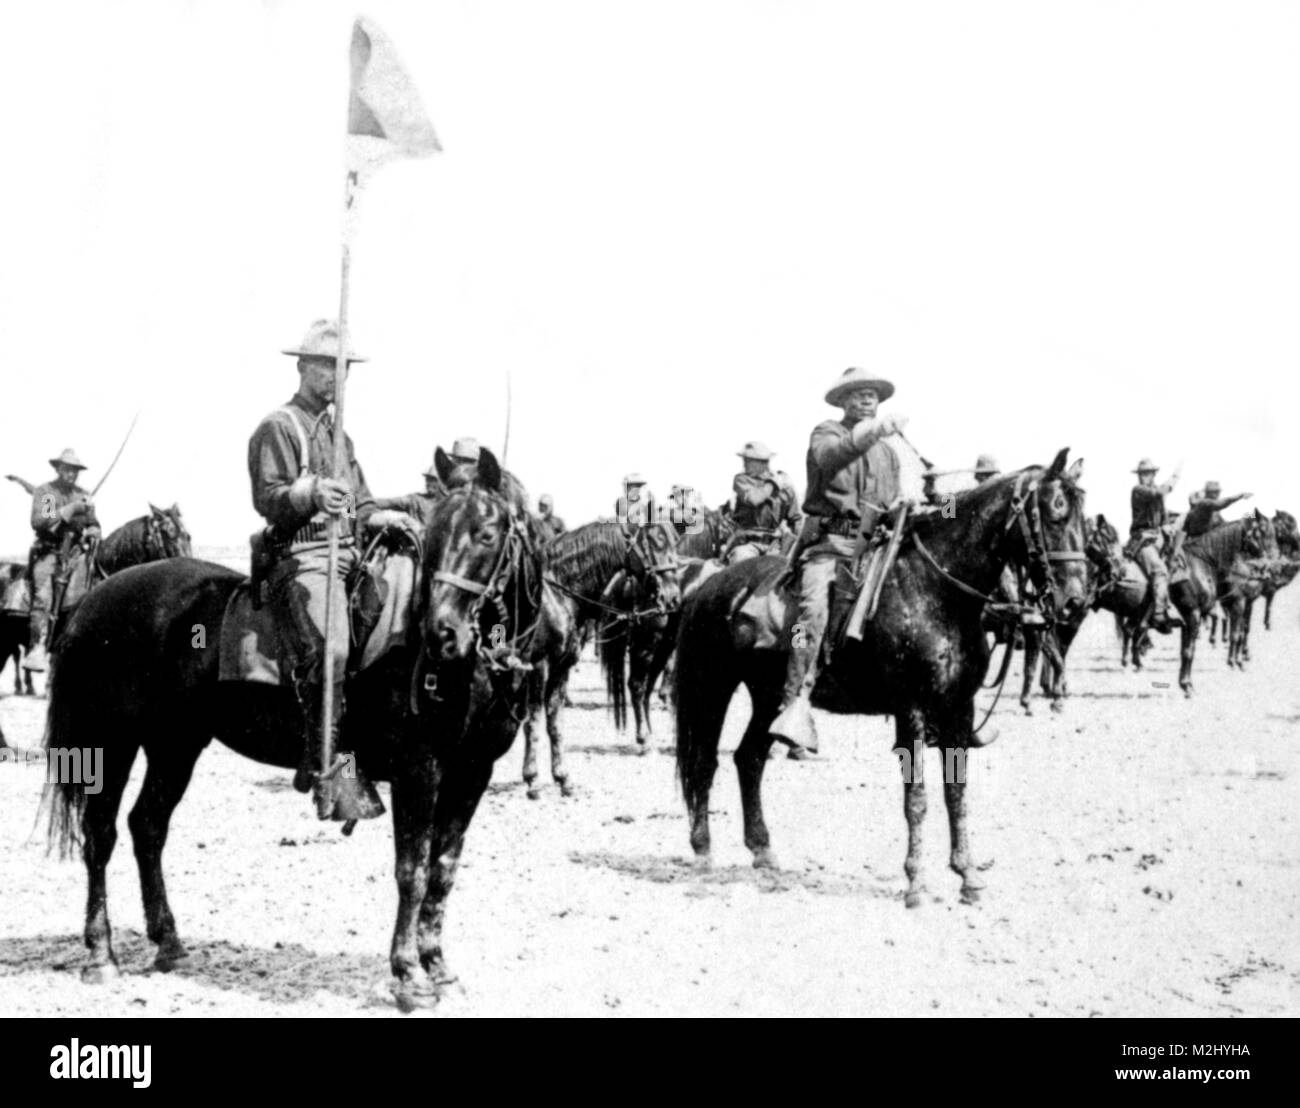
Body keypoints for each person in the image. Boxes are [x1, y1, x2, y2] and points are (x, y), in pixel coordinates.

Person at [248, 319, 405, 822]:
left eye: (344, 370)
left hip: (350, 557)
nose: (337, 379)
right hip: (304, 555)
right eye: (326, 367)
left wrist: (381, 515)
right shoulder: (279, 426)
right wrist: (310, 492)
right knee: (333, 648)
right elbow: (267, 497)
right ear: (302, 367)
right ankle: (326, 774)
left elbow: (359, 504)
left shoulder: (341, 437)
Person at [769, 367, 907, 753]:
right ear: (843, 401)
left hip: (874, 546)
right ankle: (793, 702)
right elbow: (833, 457)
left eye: (872, 395)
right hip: (831, 544)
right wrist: (874, 431)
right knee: (809, 616)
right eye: (858, 395)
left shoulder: (889, 453)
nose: (867, 401)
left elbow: (894, 500)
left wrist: (932, 505)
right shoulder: (827, 433)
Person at [22, 449, 100, 673]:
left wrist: (94, 529)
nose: (71, 474)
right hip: (50, 553)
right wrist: (70, 509)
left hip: (76, 554)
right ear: (58, 469)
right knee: (43, 596)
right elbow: (41, 521)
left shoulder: (83, 494)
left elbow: (93, 521)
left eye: (75, 471)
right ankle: (37, 647)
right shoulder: (47, 492)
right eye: (67, 470)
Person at [1128, 457, 1180, 633]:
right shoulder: (1139, 490)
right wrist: (1174, 479)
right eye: (1142, 474)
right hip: (1142, 540)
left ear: (1154, 474)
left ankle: (1168, 605)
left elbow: (1163, 515)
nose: (1145, 477)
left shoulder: (1156, 493)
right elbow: (1158, 494)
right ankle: (1158, 615)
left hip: (1158, 539)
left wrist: (1166, 526)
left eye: (1148, 473)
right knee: (1160, 571)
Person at [726, 443, 802, 563]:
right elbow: (754, 499)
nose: (744, 464)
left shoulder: (785, 486)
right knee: (740, 567)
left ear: (762, 463)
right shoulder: (742, 480)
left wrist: (795, 546)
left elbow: (796, 519)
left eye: (748, 461)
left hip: (775, 546)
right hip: (747, 545)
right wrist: (773, 483)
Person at [373, 457, 445, 530]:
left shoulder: (446, 504)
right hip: (418, 538)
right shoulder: (416, 500)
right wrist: (368, 503)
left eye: (432, 480)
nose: (428, 483)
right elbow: (391, 502)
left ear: (440, 482)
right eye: (427, 480)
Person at [1184, 481, 1252, 538]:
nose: (1218, 495)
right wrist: (1240, 495)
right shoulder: (1205, 503)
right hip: (1199, 540)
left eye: (1218, 492)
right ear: (1209, 493)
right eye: (1216, 492)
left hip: (1204, 539)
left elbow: (1223, 525)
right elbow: (1221, 503)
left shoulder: (1213, 512)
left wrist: (1244, 519)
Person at [615, 474, 656, 540]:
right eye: (634, 486)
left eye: (638, 486)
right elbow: (622, 523)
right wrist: (629, 537)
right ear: (628, 488)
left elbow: (651, 522)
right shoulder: (622, 502)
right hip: (630, 537)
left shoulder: (642, 502)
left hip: (643, 535)